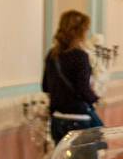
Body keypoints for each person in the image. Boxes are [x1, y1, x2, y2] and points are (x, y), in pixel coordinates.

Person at [42, 10, 103, 145]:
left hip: (57, 119)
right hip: (79, 118)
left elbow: (45, 86)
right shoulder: (80, 56)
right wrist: (96, 99)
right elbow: (83, 90)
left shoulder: (52, 55)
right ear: (80, 32)